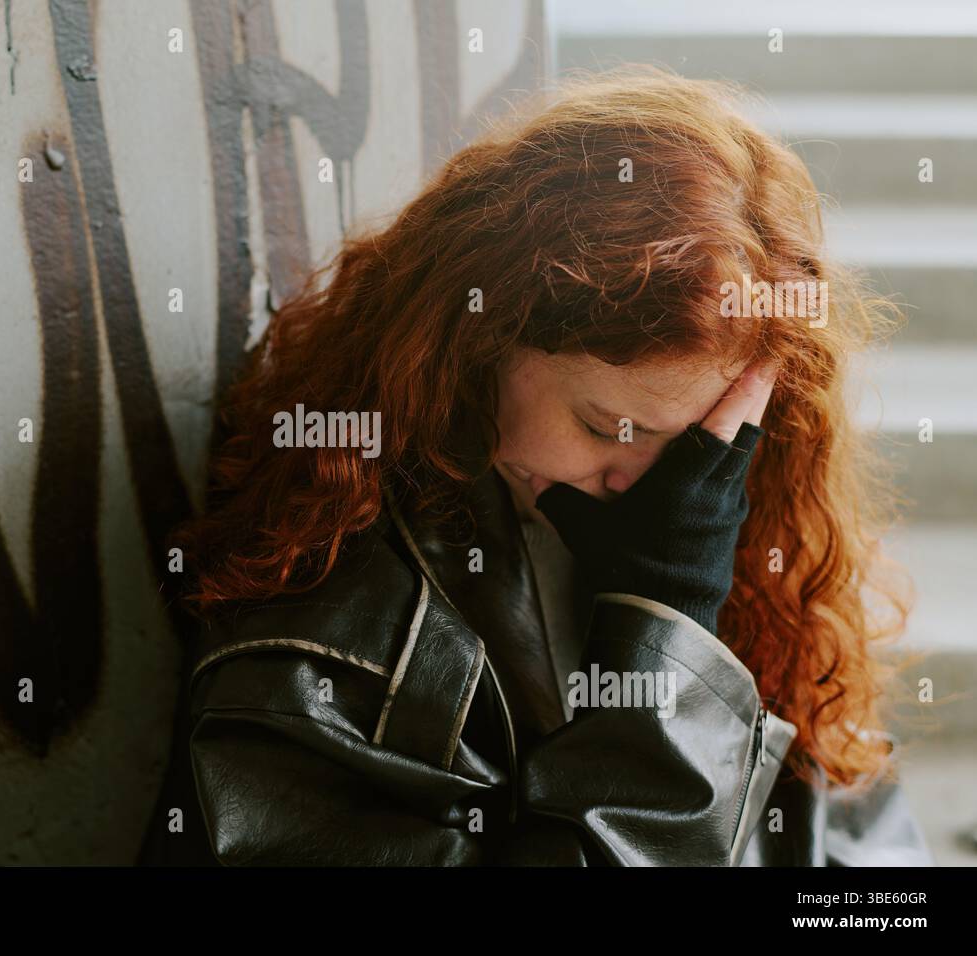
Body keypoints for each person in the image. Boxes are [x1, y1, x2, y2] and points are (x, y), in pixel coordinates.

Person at [137, 67, 934, 866]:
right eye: (603, 425)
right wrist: (672, 637)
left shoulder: (723, 522)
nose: (656, 486)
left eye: (697, 443)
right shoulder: (332, 646)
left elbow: (859, 847)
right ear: (479, 336)